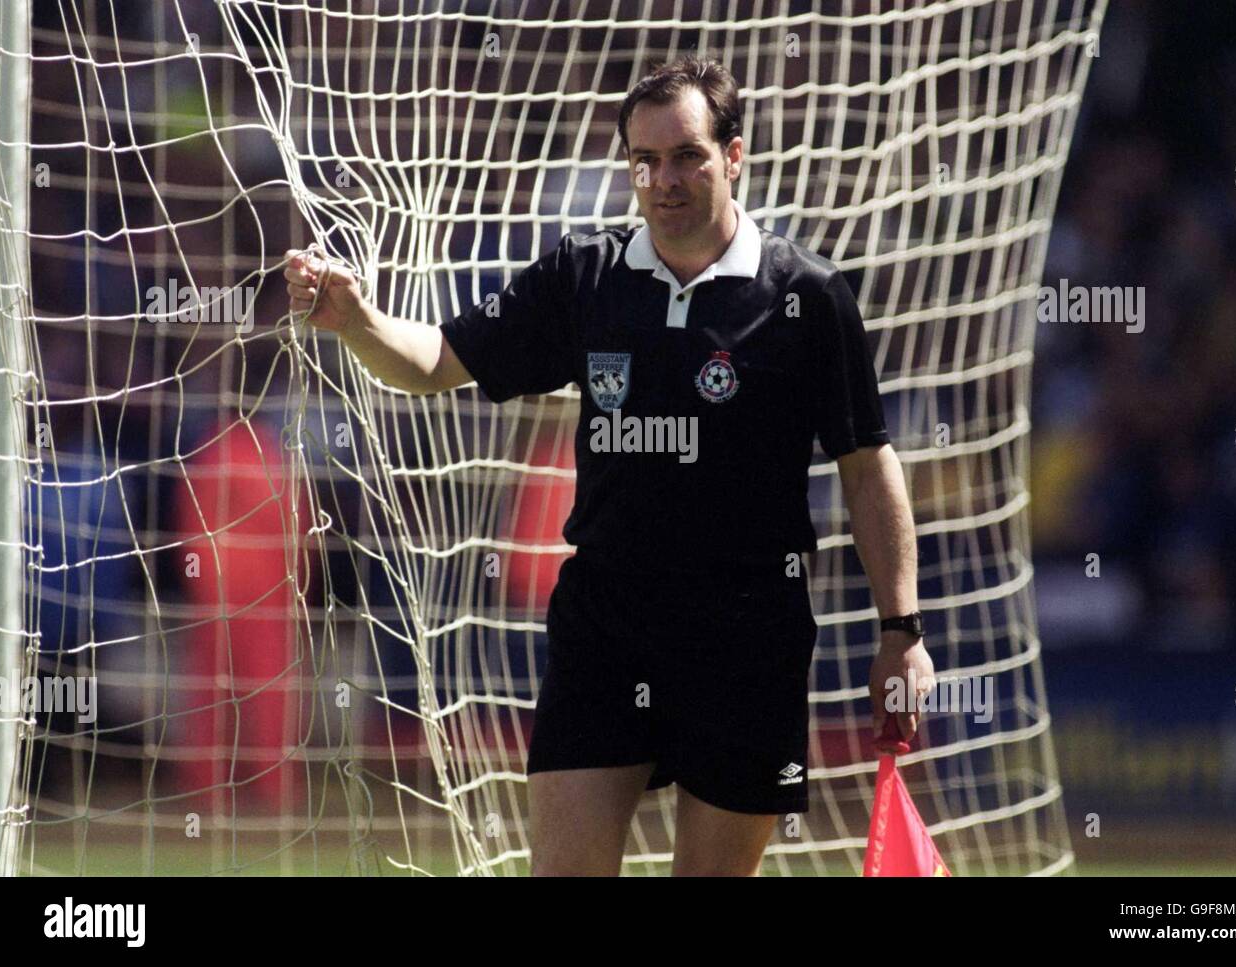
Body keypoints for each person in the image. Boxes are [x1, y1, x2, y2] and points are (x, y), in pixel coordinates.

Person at [284, 56, 935, 876]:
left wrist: (900, 632)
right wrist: (356, 320)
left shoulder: (807, 297)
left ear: (735, 155)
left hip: (748, 639)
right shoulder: (585, 277)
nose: (663, 179)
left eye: (687, 155)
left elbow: (868, 465)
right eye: (645, 160)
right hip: (606, 629)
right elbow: (435, 361)